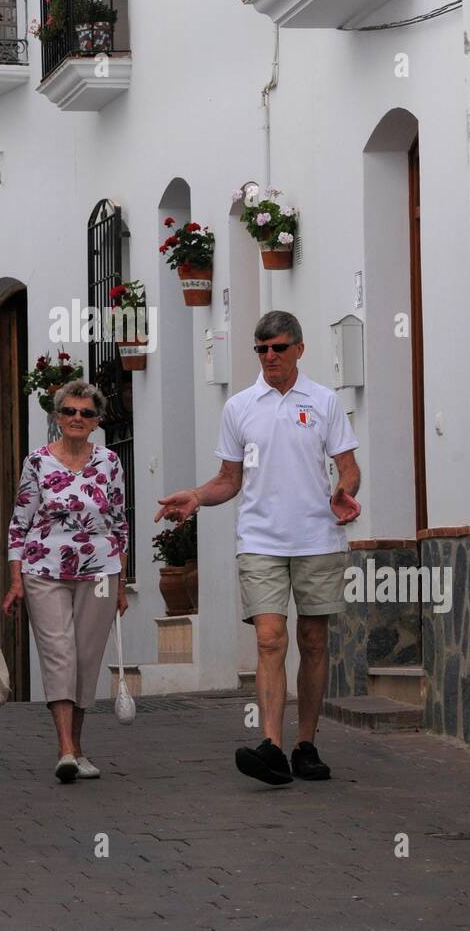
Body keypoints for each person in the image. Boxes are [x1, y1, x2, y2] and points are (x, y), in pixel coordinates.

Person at [155, 312, 361, 785]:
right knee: (269, 638)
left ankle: (305, 745)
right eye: (262, 349)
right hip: (260, 540)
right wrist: (196, 497)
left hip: (317, 538)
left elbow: (348, 466)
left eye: (279, 348)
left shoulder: (324, 402)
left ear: (299, 350)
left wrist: (344, 490)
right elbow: (230, 480)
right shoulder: (240, 407)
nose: (270, 356)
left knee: (312, 640)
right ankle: (270, 746)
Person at [2, 380, 129, 782]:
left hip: (100, 570)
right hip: (44, 568)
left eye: (86, 413)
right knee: (59, 652)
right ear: (57, 417)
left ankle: (78, 745)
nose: (77, 418)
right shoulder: (37, 462)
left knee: (86, 657)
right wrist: (15, 579)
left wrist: (122, 582)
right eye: (70, 412)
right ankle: (65, 750)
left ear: (97, 421)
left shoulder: (109, 462)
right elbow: (19, 523)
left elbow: (120, 524)